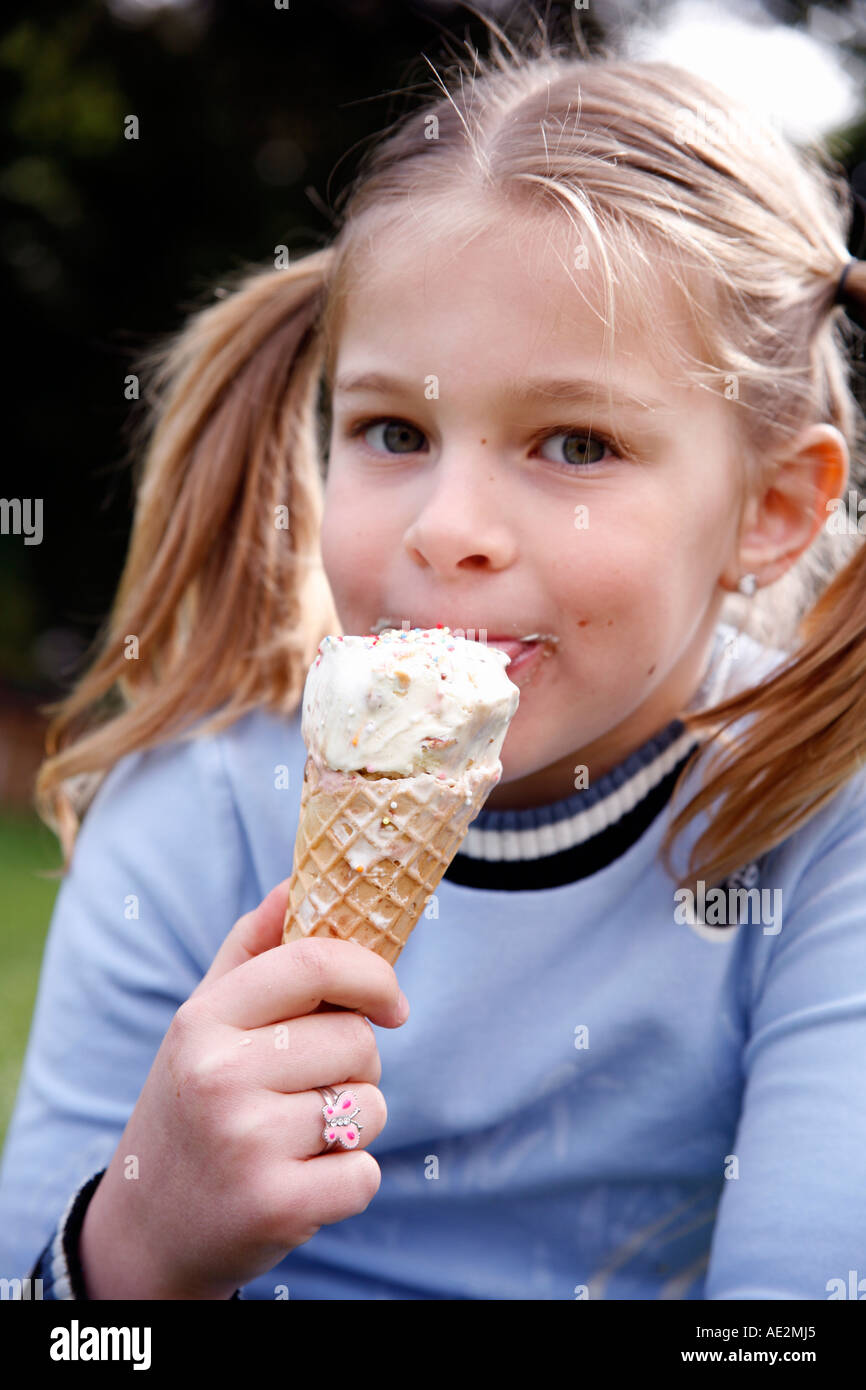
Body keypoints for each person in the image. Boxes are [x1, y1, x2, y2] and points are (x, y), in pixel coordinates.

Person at [2, 12, 866, 1301]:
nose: (448, 529)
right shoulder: (195, 810)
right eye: (394, 430)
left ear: (772, 510)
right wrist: (131, 1253)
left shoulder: (820, 820)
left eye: (576, 444)